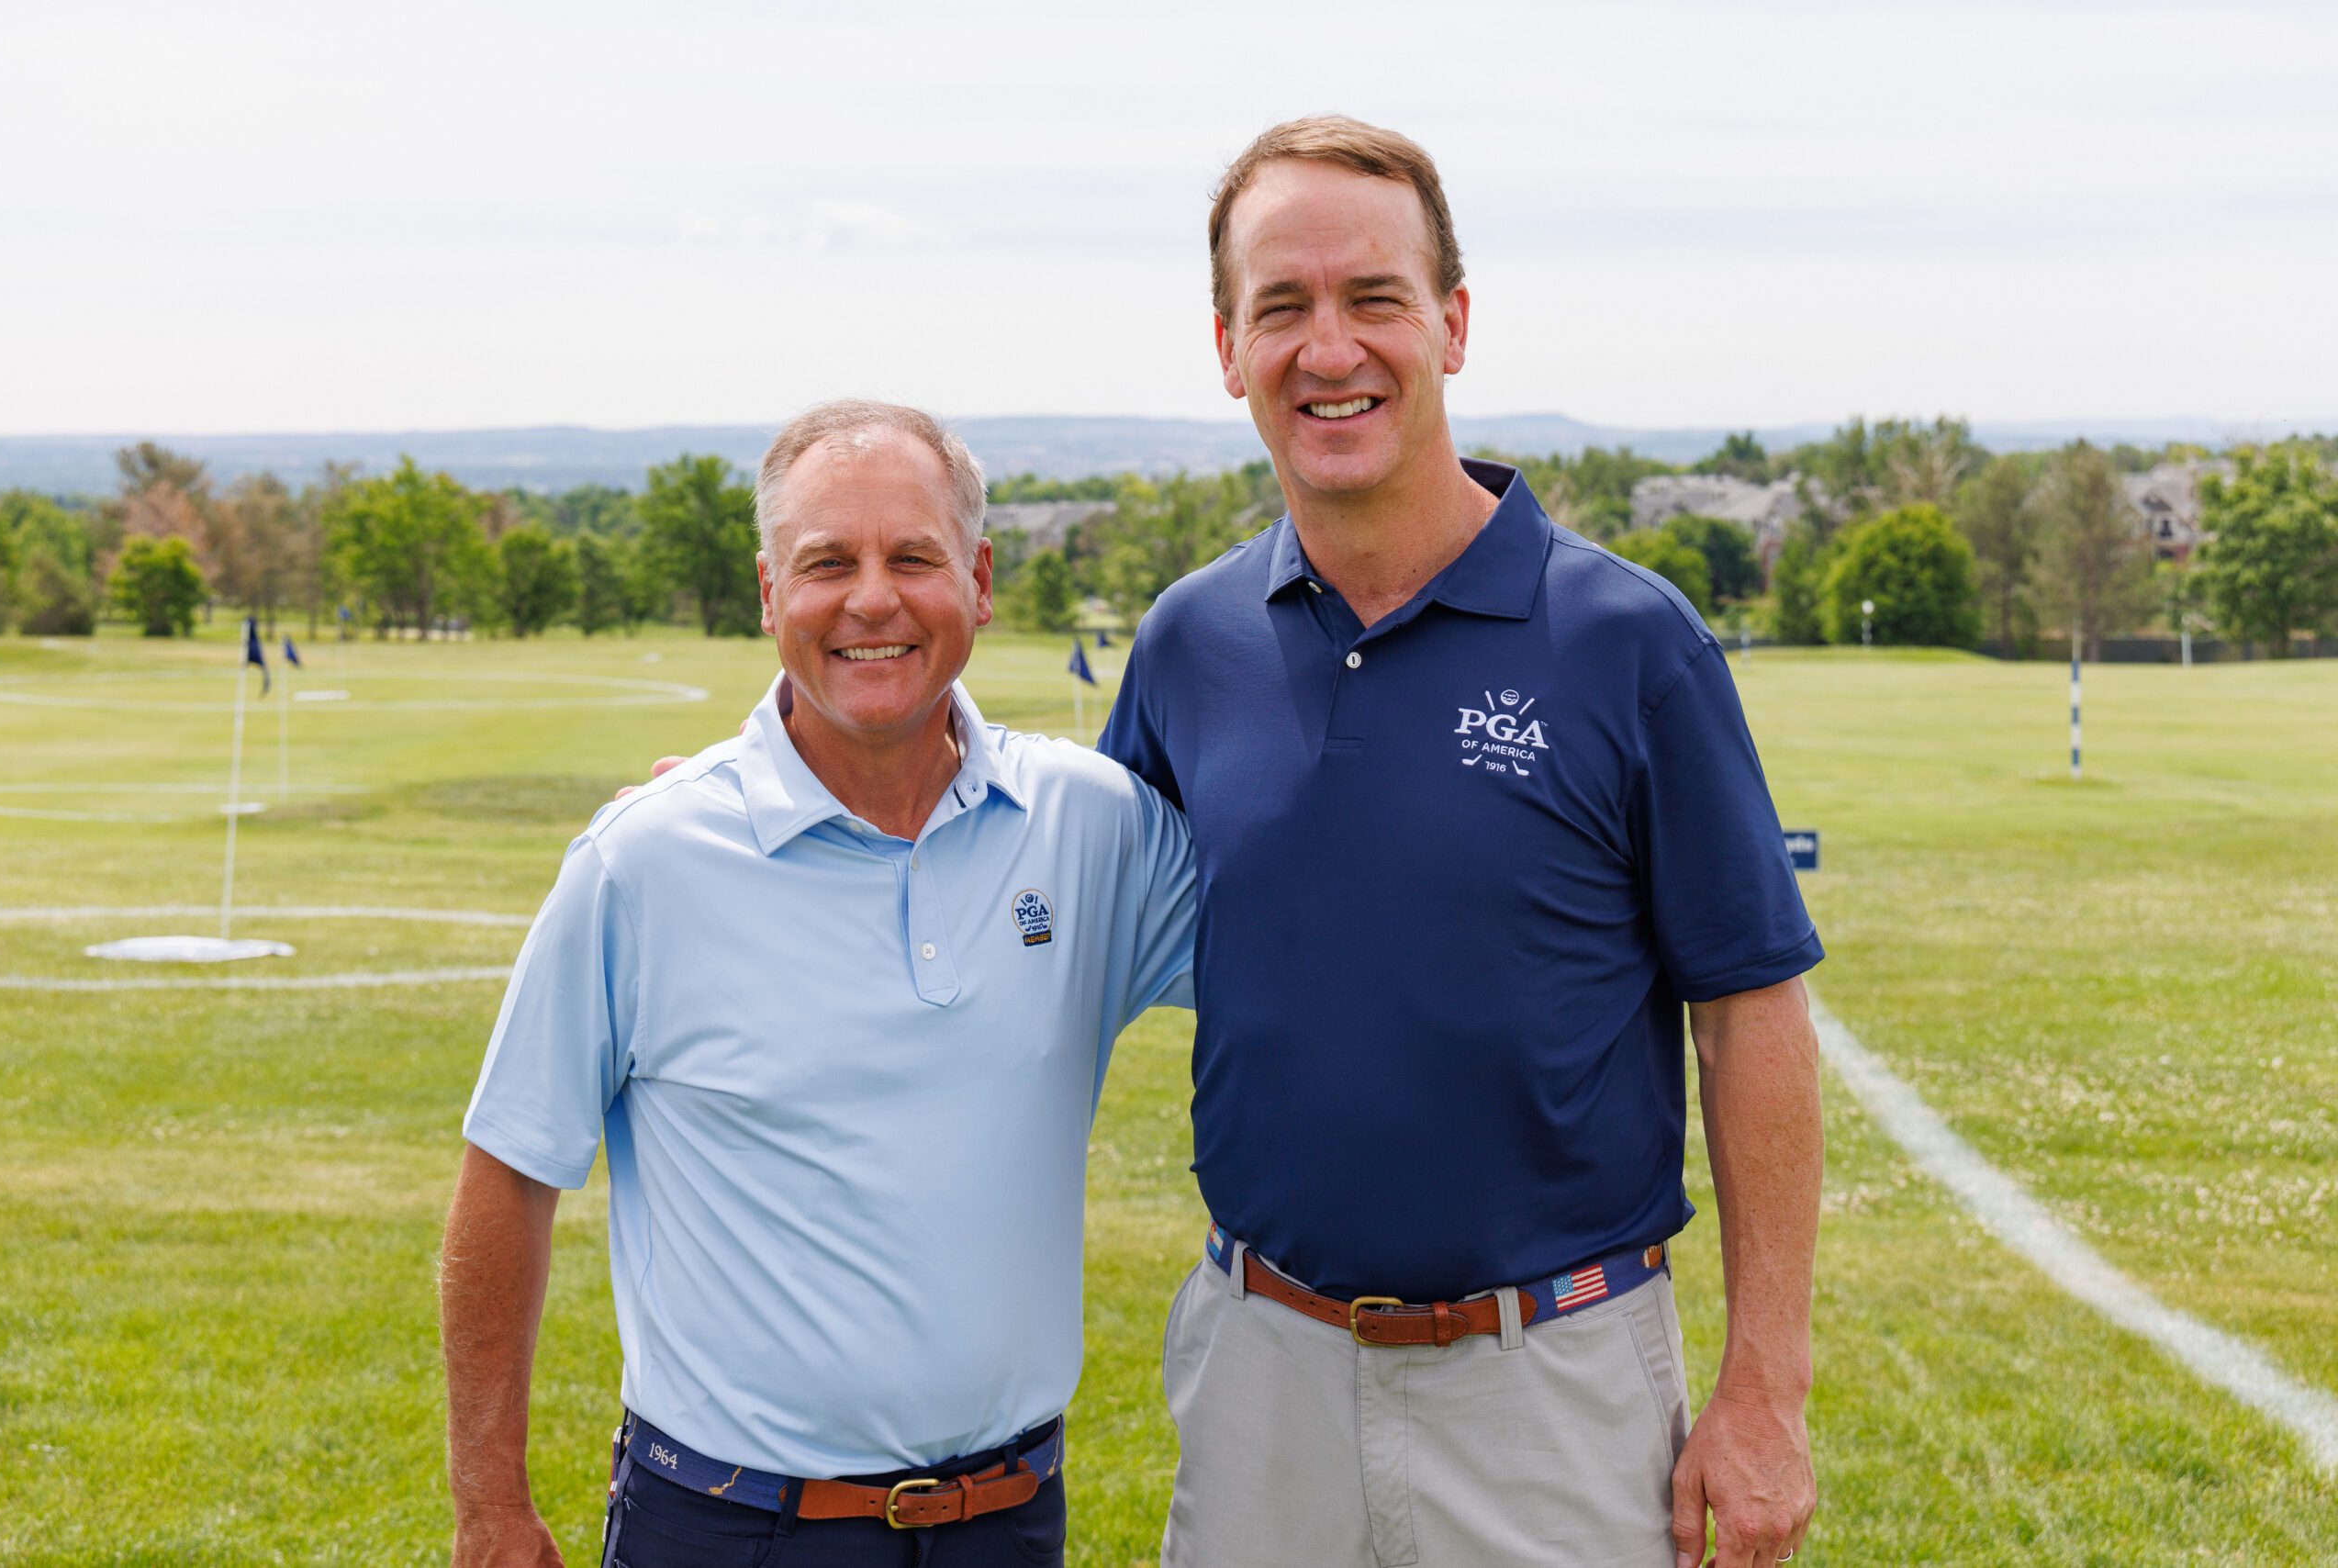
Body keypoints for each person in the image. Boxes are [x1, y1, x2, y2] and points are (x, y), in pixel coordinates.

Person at [1091, 118, 1825, 1568]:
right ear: (1228, 347)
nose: (1331, 348)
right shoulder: (1190, 643)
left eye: (1373, 298)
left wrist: (1765, 1390)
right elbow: (1045, 900)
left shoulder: (1629, 642)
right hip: (1261, 1381)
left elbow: (1752, 1020)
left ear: (1453, 323)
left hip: (1551, 1386)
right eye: (1282, 308)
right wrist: (780, 791)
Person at [440, 400, 1197, 1567]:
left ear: (980, 578)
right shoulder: (643, 860)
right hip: (728, 1528)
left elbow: (1309, 941)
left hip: (1006, 1522)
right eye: (827, 563)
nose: (872, 599)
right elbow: (508, 1174)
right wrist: (489, 1510)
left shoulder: (1089, 825)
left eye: (913, 557)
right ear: (767, 595)